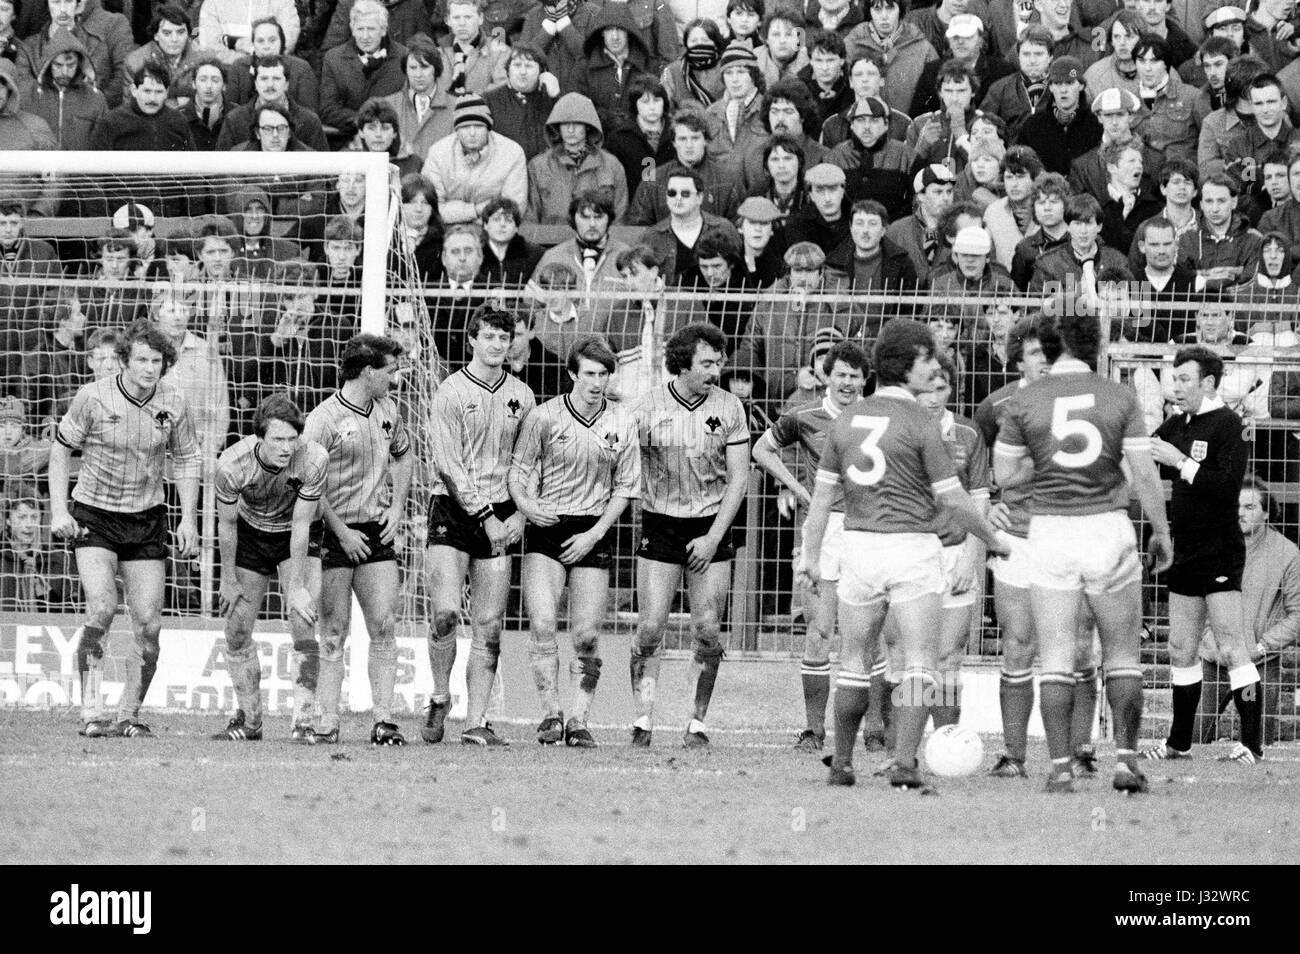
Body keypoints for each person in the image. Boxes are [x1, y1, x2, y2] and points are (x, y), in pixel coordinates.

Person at [805, 318, 1005, 789]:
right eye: (926, 358)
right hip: (912, 548)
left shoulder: (848, 419)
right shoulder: (922, 421)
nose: (933, 366)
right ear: (906, 365)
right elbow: (955, 499)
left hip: (858, 546)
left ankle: (843, 763)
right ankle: (904, 764)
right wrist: (994, 541)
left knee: (853, 658)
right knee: (919, 660)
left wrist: (810, 554)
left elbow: (820, 499)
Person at [993, 310, 1173, 793]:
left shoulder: (1026, 399)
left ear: (1051, 349)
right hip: (1107, 528)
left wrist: (1044, 460)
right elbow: (1144, 473)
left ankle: (1059, 769)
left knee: (1054, 656)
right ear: (1096, 348)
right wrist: (1161, 530)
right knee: (1121, 654)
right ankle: (1126, 764)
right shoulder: (1119, 395)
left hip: (1051, 531)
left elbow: (1005, 477)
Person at [50, 319, 201, 738]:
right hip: (95, 514)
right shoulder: (93, 397)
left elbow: (188, 458)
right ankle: (92, 711)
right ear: (124, 360)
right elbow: (61, 451)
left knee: (150, 622)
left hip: (146, 517)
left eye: (156, 360)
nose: (149, 368)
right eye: (140, 360)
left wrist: (188, 517)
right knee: (102, 606)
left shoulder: (173, 401)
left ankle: (128, 713)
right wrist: (58, 511)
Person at [507, 336, 640, 746]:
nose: (597, 382)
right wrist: (528, 508)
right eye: (589, 374)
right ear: (572, 374)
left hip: (593, 530)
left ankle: (579, 720)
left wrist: (595, 534)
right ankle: (550, 714)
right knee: (544, 623)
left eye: (603, 374)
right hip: (547, 525)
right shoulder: (544, 418)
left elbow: (626, 487)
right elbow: (518, 473)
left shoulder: (622, 422)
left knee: (585, 634)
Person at [1141, 346, 1263, 764]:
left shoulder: (1232, 425)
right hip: (1185, 547)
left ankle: (1252, 743)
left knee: (1231, 646)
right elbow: (1145, 463)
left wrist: (1180, 463)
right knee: (1180, 647)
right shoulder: (1176, 424)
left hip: (1219, 547)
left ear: (1209, 382)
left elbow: (1228, 487)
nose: (1176, 387)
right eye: (1174, 380)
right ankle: (1179, 742)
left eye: (1184, 380)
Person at [630, 323, 750, 748]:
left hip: (710, 526)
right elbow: (627, 467)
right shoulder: (646, 409)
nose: (715, 371)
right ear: (682, 363)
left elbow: (739, 479)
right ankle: (643, 718)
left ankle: (696, 723)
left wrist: (714, 537)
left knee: (707, 628)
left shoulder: (731, 407)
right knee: (650, 627)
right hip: (661, 523)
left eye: (719, 362)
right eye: (706, 363)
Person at [423, 305, 534, 746]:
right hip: (453, 510)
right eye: (487, 336)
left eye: (503, 338)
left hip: (503, 514)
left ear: (511, 344)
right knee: (446, 614)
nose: (495, 345)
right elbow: (447, 465)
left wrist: (521, 513)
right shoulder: (449, 393)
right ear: (472, 340)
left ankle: (476, 721)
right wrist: (485, 516)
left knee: (488, 625)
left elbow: (529, 464)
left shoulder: (522, 396)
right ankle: (437, 696)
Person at [750, 340, 869, 750]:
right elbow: (762, 449)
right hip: (825, 530)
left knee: (871, 633)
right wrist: (800, 489)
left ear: (865, 379)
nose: (848, 383)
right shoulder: (804, 416)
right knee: (819, 629)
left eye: (855, 376)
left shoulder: (877, 416)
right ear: (825, 376)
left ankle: (874, 731)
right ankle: (814, 730)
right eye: (841, 375)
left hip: (873, 529)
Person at [302, 333, 414, 746]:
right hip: (331, 531)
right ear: (368, 372)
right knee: (333, 631)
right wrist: (341, 531)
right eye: (391, 370)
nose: (396, 378)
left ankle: (383, 719)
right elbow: (309, 485)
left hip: (372, 528)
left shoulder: (389, 411)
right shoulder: (323, 419)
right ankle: (326, 720)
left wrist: (397, 507)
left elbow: (404, 455)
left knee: (384, 624)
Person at [212, 393, 325, 742]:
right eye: (278, 439)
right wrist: (228, 578)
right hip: (250, 536)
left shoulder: (314, 459)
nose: (287, 447)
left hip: (296, 534)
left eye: (293, 439)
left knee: (303, 620)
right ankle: (249, 721)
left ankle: (304, 722)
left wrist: (296, 586)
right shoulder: (232, 465)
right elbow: (227, 526)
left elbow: (303, 523)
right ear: (259, 437)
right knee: (236, 629)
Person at [1198, 477, 1300, 746]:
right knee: (1193, 737)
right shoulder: (1213, 546)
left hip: (1260, 663)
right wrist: (1211, 641)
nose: (1240, 513)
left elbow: (1298, 614)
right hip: (1215, 660)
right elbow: (1196, 602)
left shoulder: (1288, 553)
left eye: (1250, 506)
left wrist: (1262, 647)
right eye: (1236, 506)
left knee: (1256, 744)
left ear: (1267, 512)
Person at [422, 93, 527, 223]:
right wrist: (476, 210)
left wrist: (465, 217)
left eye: (478, 126)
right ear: (456, 129)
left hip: (493, 233)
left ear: (488, 128)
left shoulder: (512, 153)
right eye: (465, 127)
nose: (472, 133)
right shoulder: (438, 153)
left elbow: (513, 210)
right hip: (444, 233)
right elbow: (432, 209)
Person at [526, 91, 628, 224]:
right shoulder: (538, 166)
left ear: (588, 126)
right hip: (549, 243)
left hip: (598, 241)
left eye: (577, 123)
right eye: (565, 123)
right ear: (557, 127)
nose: (570, 130)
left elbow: (619, 219)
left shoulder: (612, 165)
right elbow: (529, 219)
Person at [319, 0, 407, 142]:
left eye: (371, 29)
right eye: (360, 29)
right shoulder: (334, 59)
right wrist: (366, 123)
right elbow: (328, 109)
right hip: (348, 141)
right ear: (352, 30)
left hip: (393, 141)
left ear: (383, 30)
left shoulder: (403, 57)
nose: (365, 37)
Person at [215, 52, 328, 150]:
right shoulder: (235, 120)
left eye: (276, 79)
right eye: (264, 79)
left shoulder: (309, 121)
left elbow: (323, 168)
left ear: (287, 84)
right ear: (255, 84)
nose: (270, 85)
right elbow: (221, 168)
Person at [378, 33, 454, 163]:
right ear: (405, 70)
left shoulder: (455, 107)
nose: (418, 74)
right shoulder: (387, 105)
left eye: (424, 67)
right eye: (413, 68)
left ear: (435, 69)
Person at [25, 30, 105, 150]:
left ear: (80, 64)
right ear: (48, 64)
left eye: (71, 65)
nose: (65, 72)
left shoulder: (95, 99)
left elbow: (103, 143)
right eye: (58, 65)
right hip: (40, 166)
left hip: (80, 167)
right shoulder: (28, 95)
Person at [88, 61, 193, 151]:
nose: (152, 98)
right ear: (134, 90)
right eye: (147, 91)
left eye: (159, 92)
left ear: (167, 92)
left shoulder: (178, 121)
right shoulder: (111, 122)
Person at [199, 0, 299, 57]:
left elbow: (288, 39)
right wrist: (244, 63)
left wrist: (233, 43)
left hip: (272, 74)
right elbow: (209, 45)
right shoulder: (212, 3)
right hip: (227, 77)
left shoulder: (282, 2)